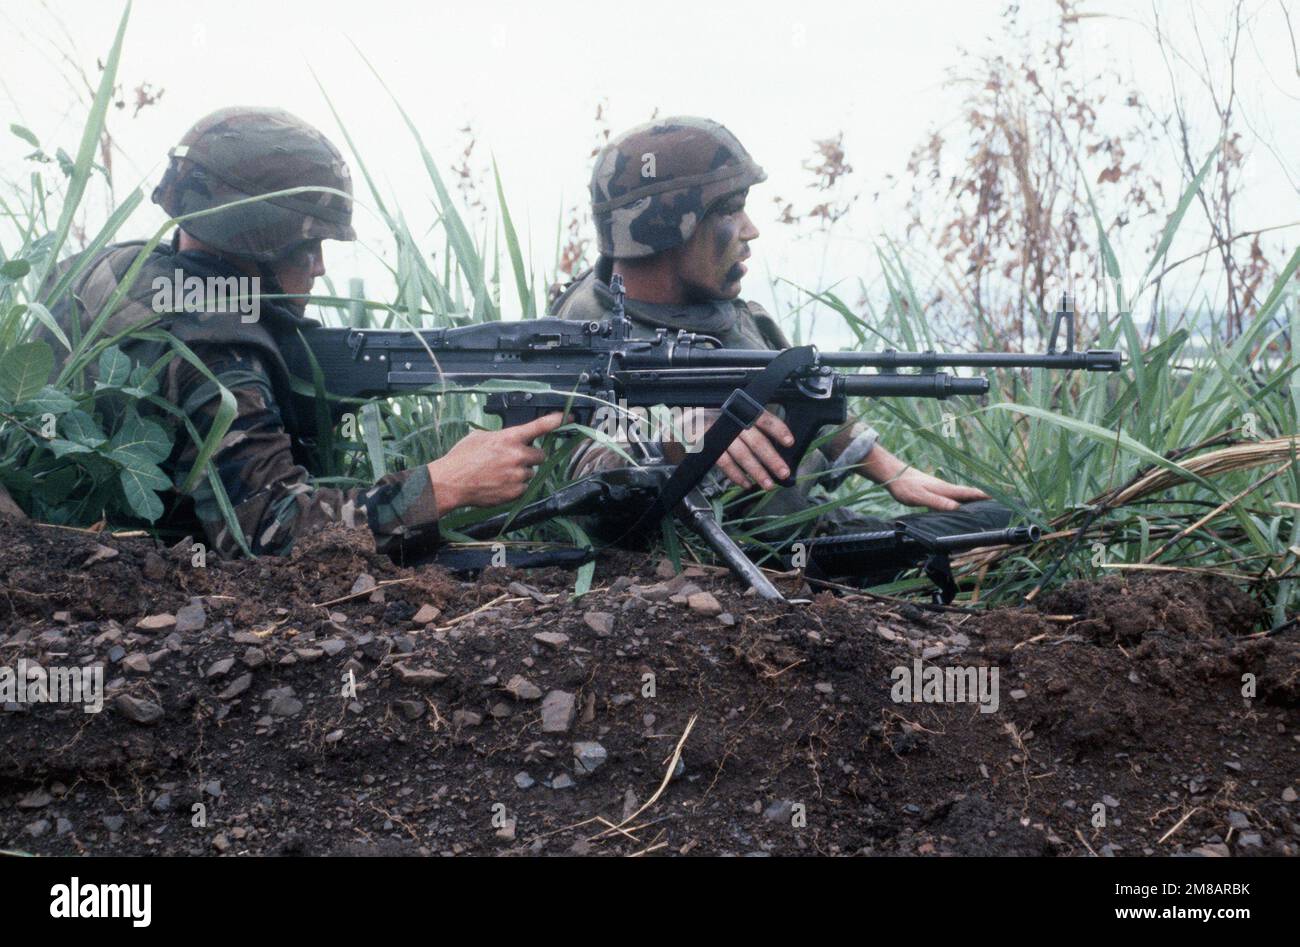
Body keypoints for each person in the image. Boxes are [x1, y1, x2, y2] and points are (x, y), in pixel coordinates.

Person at [41, 106, 560, 561]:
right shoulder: (213, 348)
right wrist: (445, 483)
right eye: (306, 248)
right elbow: (270, 532)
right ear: (255, 238)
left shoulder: (103, 273)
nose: (318, 269)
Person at [551, 116, 1013, 579]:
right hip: (716, 560)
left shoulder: (732, 316)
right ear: (668, 225)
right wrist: (676, 436)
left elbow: (804, 393)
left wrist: (895, 473)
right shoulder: (579, 337)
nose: (750, 230)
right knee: (974, 538)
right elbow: (583, 479)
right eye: (730, 210)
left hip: (803, 533)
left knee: (1004, 518)